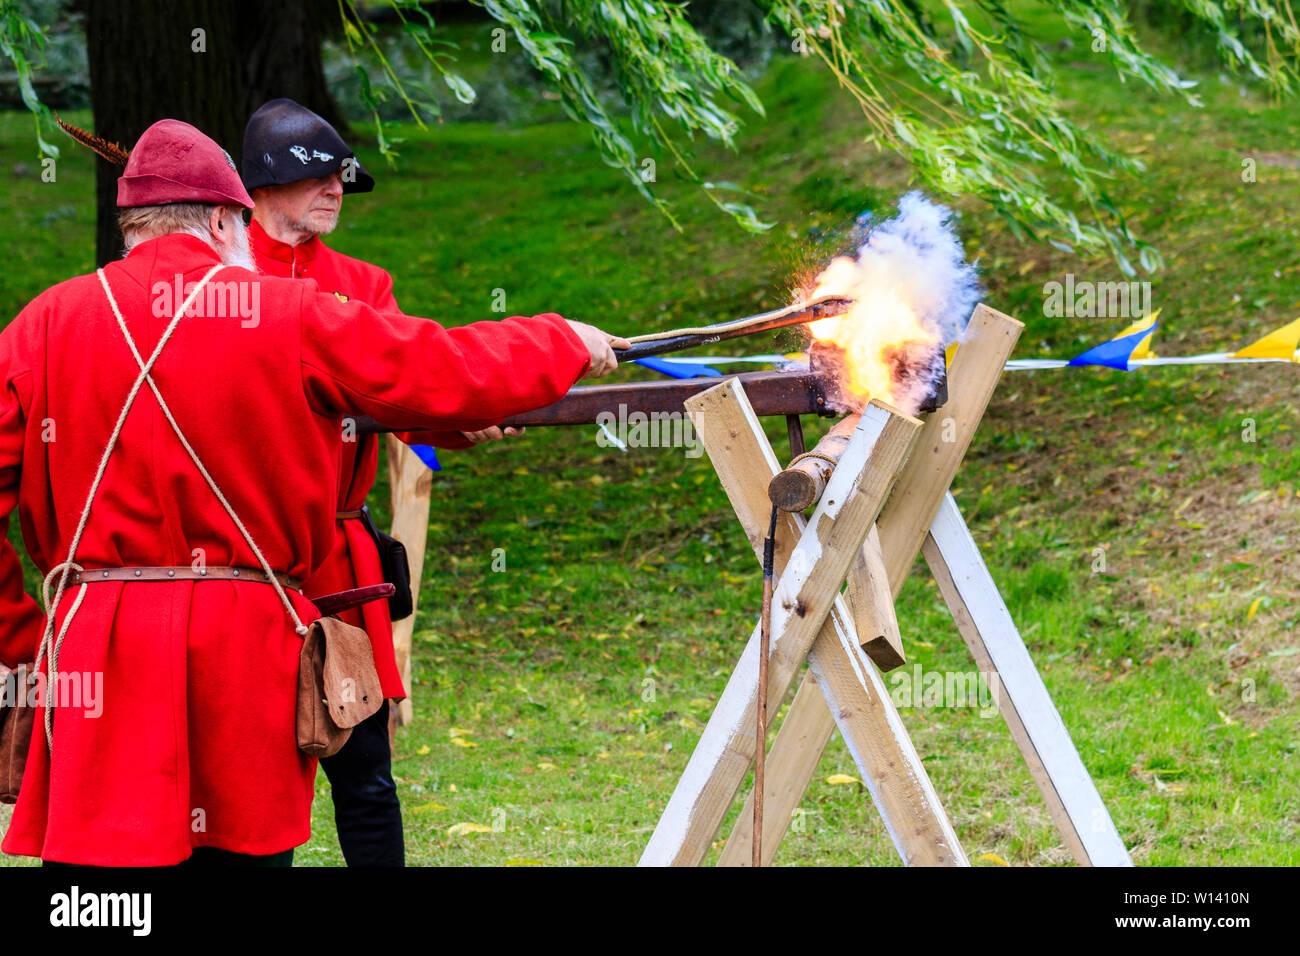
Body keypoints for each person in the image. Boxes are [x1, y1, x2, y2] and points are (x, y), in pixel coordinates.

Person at [0, 118, 625, 866]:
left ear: (132, 224)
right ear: (229, 219)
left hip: (97, 649)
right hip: (242, 643)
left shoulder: (40, 325)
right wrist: (560, 340)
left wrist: (26, 636)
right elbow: (439, 367)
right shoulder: (285, 314)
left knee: (104, 894)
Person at [241, 97, 509, 867]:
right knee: (258, 786)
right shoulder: (221, 283)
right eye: (318, 176)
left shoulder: (364, 283)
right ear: (263, 185)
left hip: (341, 562)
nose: (336, 188)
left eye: (341, 177)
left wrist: (464, 418)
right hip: (249, 563)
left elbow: (406, 391)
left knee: (364, 776)